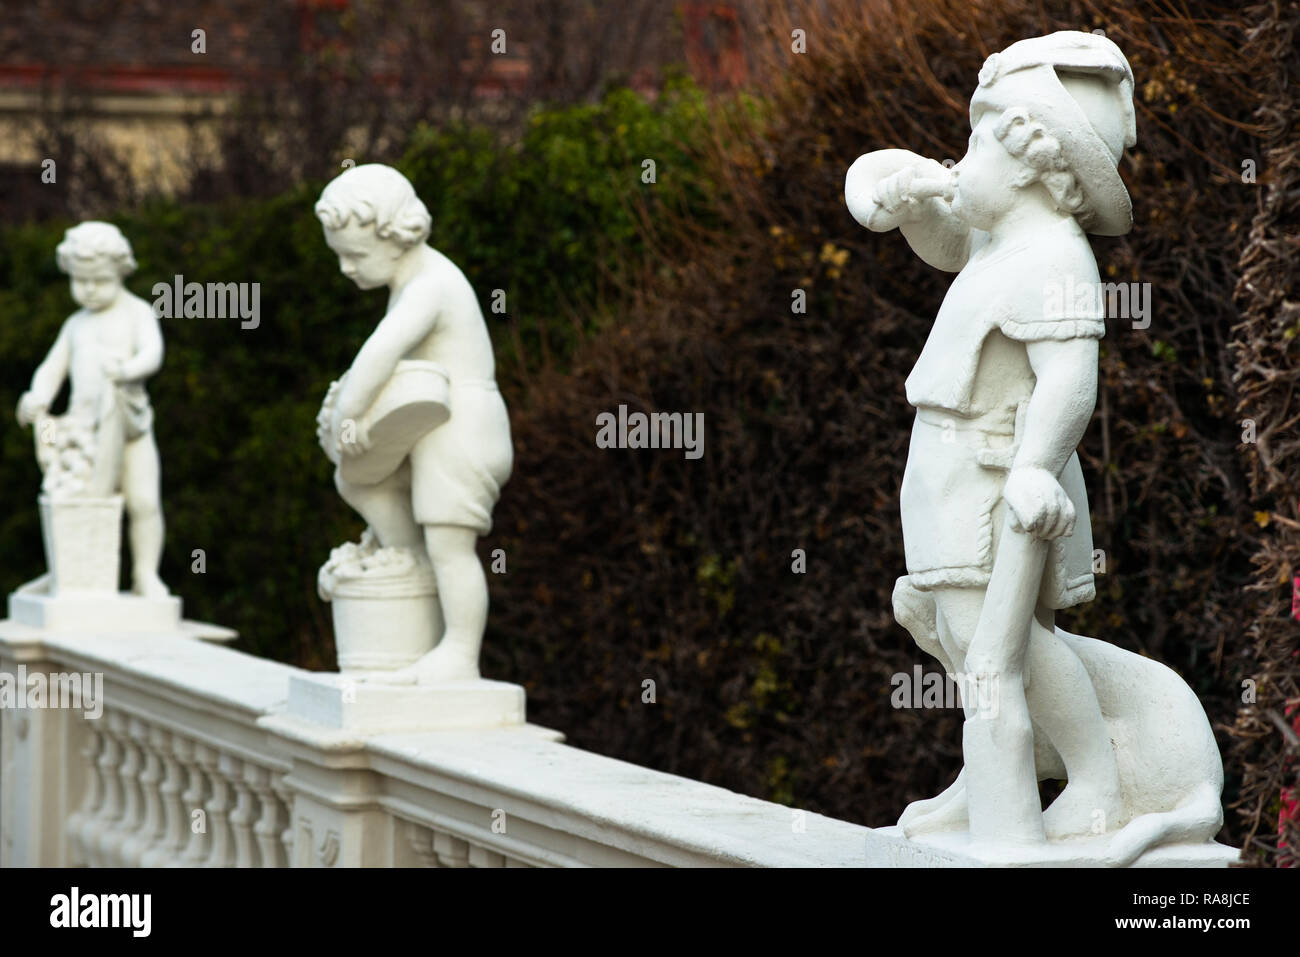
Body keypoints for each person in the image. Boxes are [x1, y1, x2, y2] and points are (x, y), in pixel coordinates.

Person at [846, 32, 1139, 842]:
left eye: (976, 140)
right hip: (947, 468)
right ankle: (990, 784)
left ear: (1031, 165)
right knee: (951, 625)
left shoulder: (1054, 259)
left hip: (995, 474)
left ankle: (1089, 777)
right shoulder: (1001, 239)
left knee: (1000, 648)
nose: (959, 156)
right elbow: (947, 242)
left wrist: (1036, 468)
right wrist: (912, 208)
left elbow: (1069, 382)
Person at [315, 164, 513, 683]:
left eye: (354, 256)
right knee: (360, 482)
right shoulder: (411, 282)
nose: (344, 268)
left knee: (451, 544)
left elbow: (380, 354)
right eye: (339, 254)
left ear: (396, 239)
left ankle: (460, 654)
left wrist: (347, 415)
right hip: (438, 422)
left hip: (463, 425)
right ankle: (407, 571)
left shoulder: (429, 285)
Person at [16, 221, 168, 598]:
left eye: (99, 280)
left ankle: (145, 574)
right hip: (80, 432)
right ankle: (65, 574)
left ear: (120, 272)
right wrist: (37, 398)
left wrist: (127, 370)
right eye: (80, 281)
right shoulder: (75, 325)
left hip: (130, 428)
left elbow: (153, 353)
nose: (88, 289)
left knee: (144, 502)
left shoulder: (136, 312)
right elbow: (52, 370)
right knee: (65, 498)